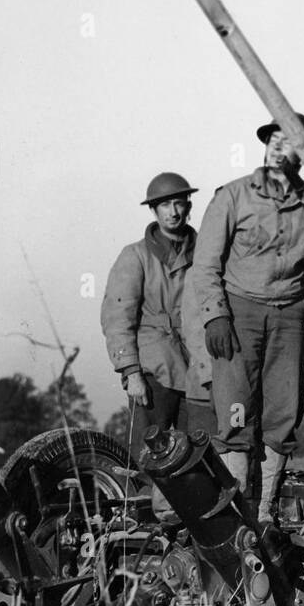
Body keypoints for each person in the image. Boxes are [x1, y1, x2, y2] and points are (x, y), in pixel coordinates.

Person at [190, 112, 304, 522]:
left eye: (287, 140)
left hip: (289, 317)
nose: (277, 146)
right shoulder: (232, 196)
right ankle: (236, 515)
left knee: (283, 414)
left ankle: (267, 512)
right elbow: (204, 266)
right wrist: (215, 317)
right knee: (236, 414)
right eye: (272, 138)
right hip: (239, 313)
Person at [101, 172, 199, 460]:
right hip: (153, 368)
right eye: (165, 205)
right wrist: (131, 372)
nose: (174, 212)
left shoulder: (206, 252)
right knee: (149, 454)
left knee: (193, 453)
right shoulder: (135, 256)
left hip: (198, 367)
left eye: (180, 203)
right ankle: (139, 504)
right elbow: (117, 318)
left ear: (189, 207)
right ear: (154, 211)